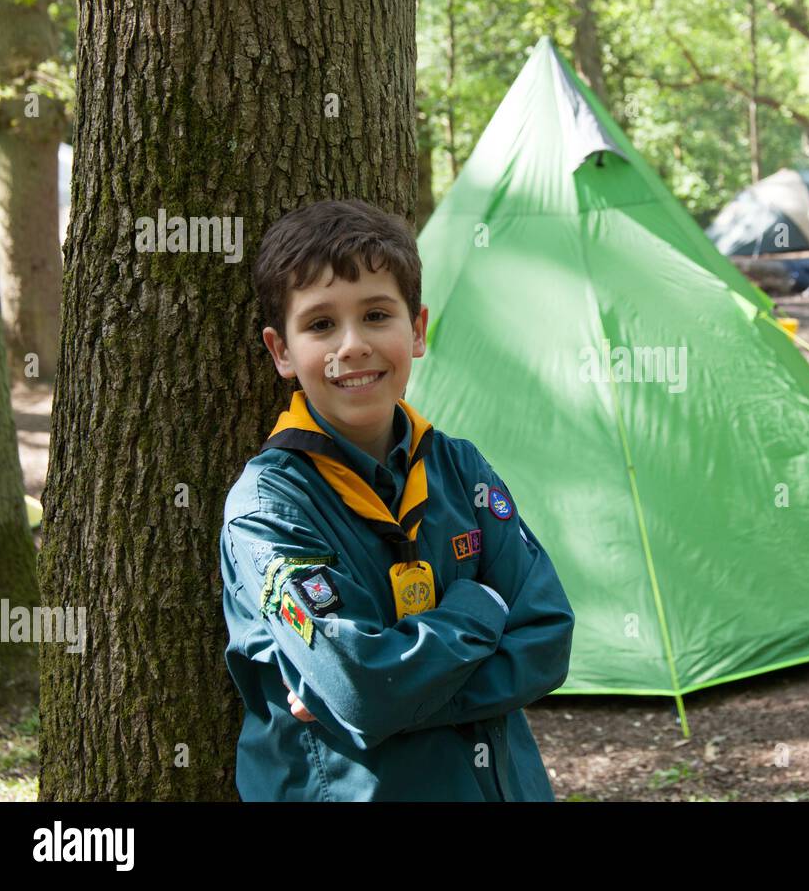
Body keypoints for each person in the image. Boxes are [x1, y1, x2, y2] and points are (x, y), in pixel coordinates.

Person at [219, 198, 575, 800]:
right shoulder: (270, 507)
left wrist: (380, 694)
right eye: (321, 324)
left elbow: (546, 639)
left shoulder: (461, 469)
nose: (353, 345)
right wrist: (479, 609)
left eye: (377, 314)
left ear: (416, 331)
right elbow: (359, 687)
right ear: (282, 350)